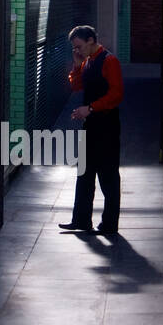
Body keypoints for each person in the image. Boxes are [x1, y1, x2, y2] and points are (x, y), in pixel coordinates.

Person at [59, 25, 124, 235]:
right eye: (74, 48)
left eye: (79, 46)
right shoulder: (86, 61)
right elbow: (77, 87)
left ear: (90, 40)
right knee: (84, 173)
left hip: (107, 126)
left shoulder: (109, 60)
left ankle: (109, 224)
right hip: (92, 124)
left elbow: (117, 94)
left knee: (108, 175)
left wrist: (91, 108)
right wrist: (77, 66)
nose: (77, 51)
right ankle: (81, 220)